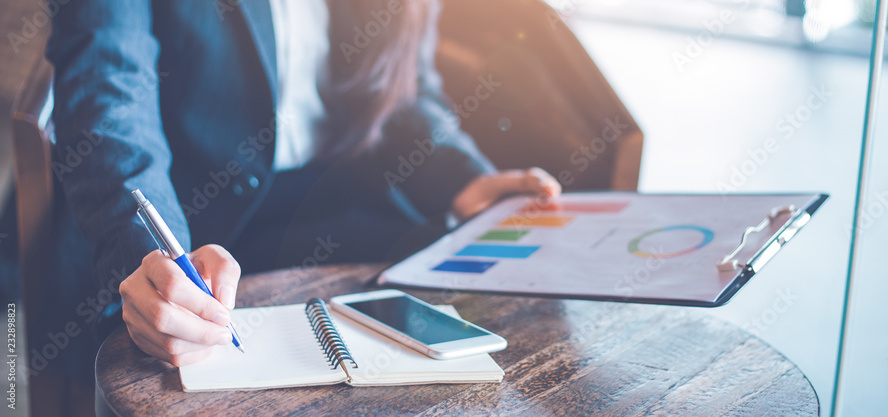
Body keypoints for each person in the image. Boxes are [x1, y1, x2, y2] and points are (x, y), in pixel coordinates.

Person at [47, 0, 560, 368]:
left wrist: (465, 179)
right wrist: (152, 261)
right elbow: (110, 97)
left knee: (502, 309)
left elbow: (408, 90)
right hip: (200, 222)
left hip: (341, 199)